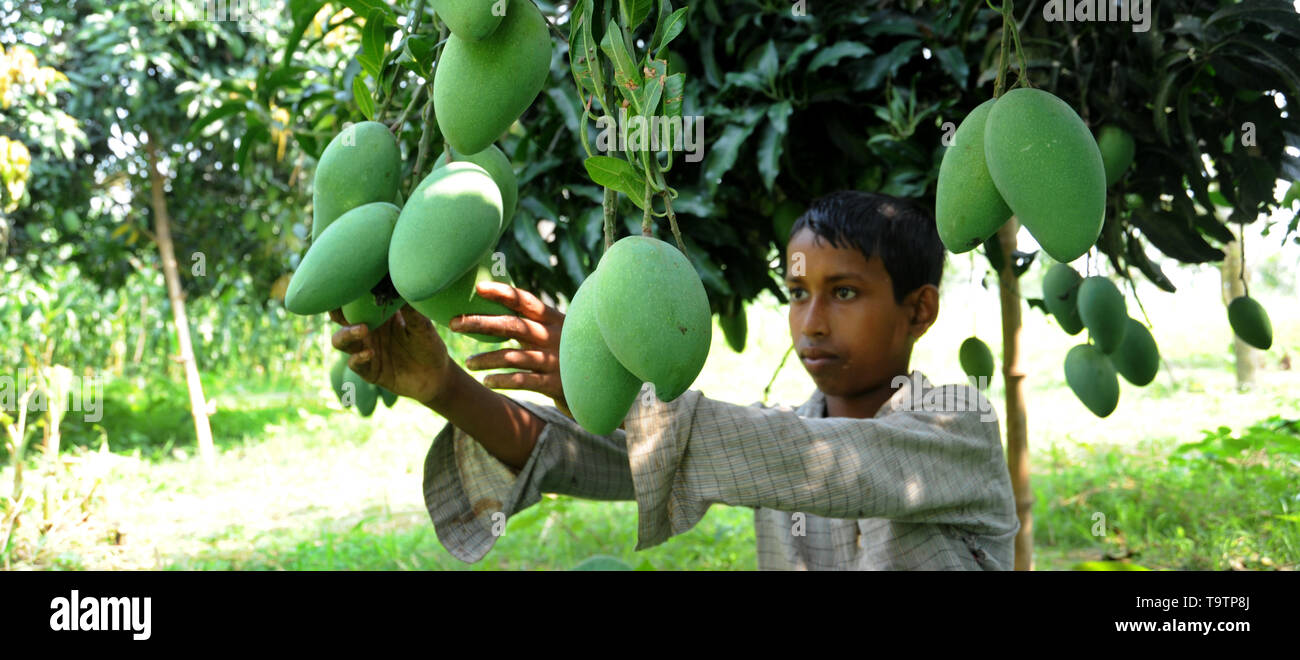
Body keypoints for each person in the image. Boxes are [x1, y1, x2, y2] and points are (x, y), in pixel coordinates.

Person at [330, 190, 1020, 569]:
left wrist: (615, 391)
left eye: (843, 294)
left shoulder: (959, 425)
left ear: (919, 308)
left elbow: (846, 469)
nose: (810, 322)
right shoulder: (779, 437)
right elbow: (599, 458)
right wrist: (446, 387)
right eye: (797, 292)